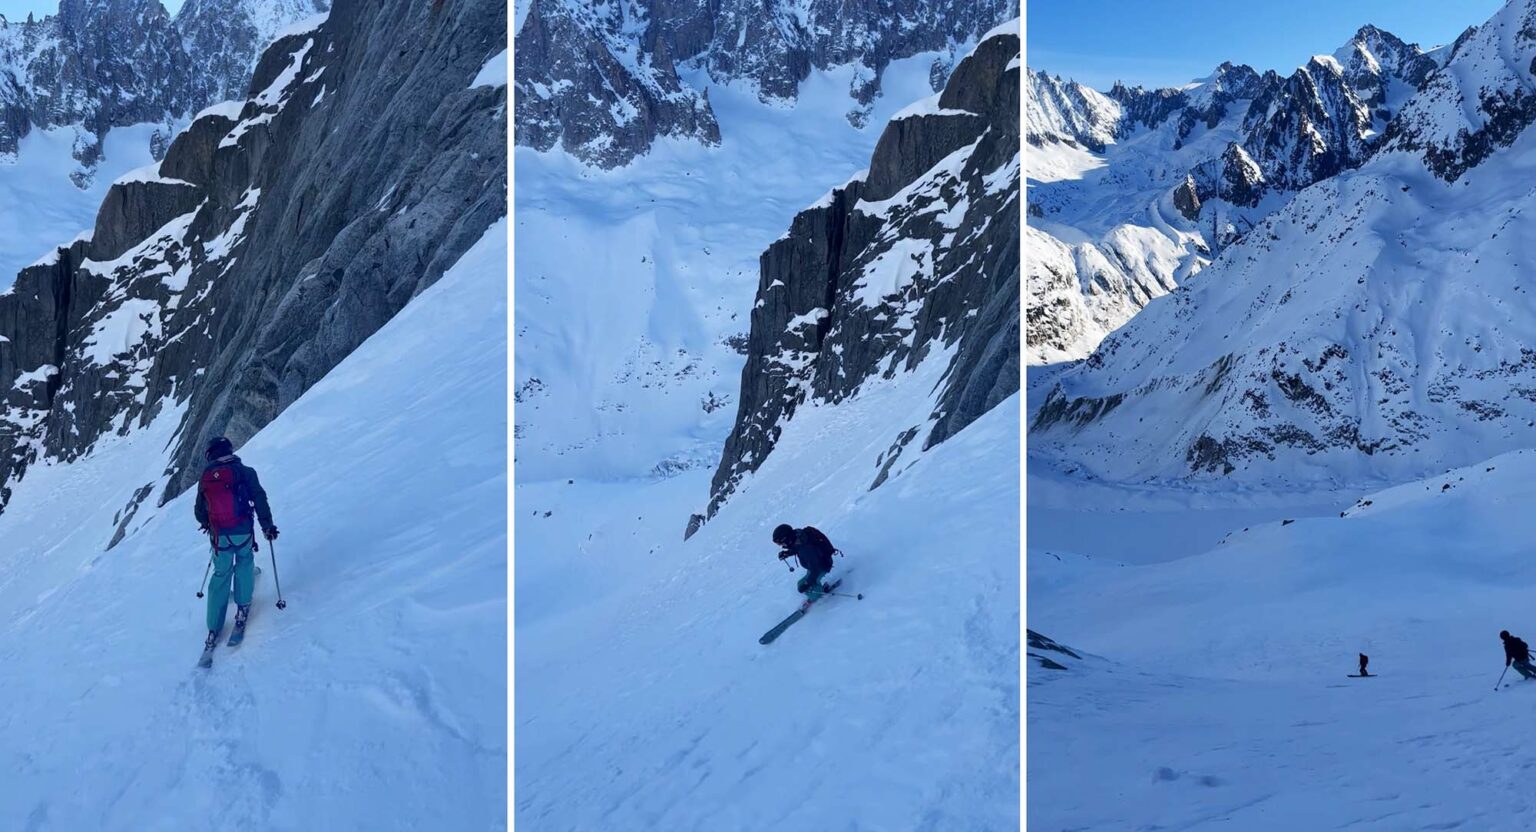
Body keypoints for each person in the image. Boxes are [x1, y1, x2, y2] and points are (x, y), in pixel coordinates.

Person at [195, 436, 278, 649]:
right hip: (242, 532)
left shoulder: (206, 476)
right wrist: (267, 526)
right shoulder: (246, 472)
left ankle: (214, 628)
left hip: (220, 537)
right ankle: (242, 608)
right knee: (244, 564)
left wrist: (209, 524)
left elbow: (199, 511)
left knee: (221, 573)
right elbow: (259, 498)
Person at [773, 523, 836, 604]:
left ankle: (819, 596)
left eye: (780, 543)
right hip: (815, 565)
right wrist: (787, 553)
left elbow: (816, 569)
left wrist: (807, 584)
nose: (781, 545)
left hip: (821, 567)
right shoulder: (799, 538)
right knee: (802, 584)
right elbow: (797, 548)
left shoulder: (805, 548)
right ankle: (818, 589)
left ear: (786, 539)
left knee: (804, 586)